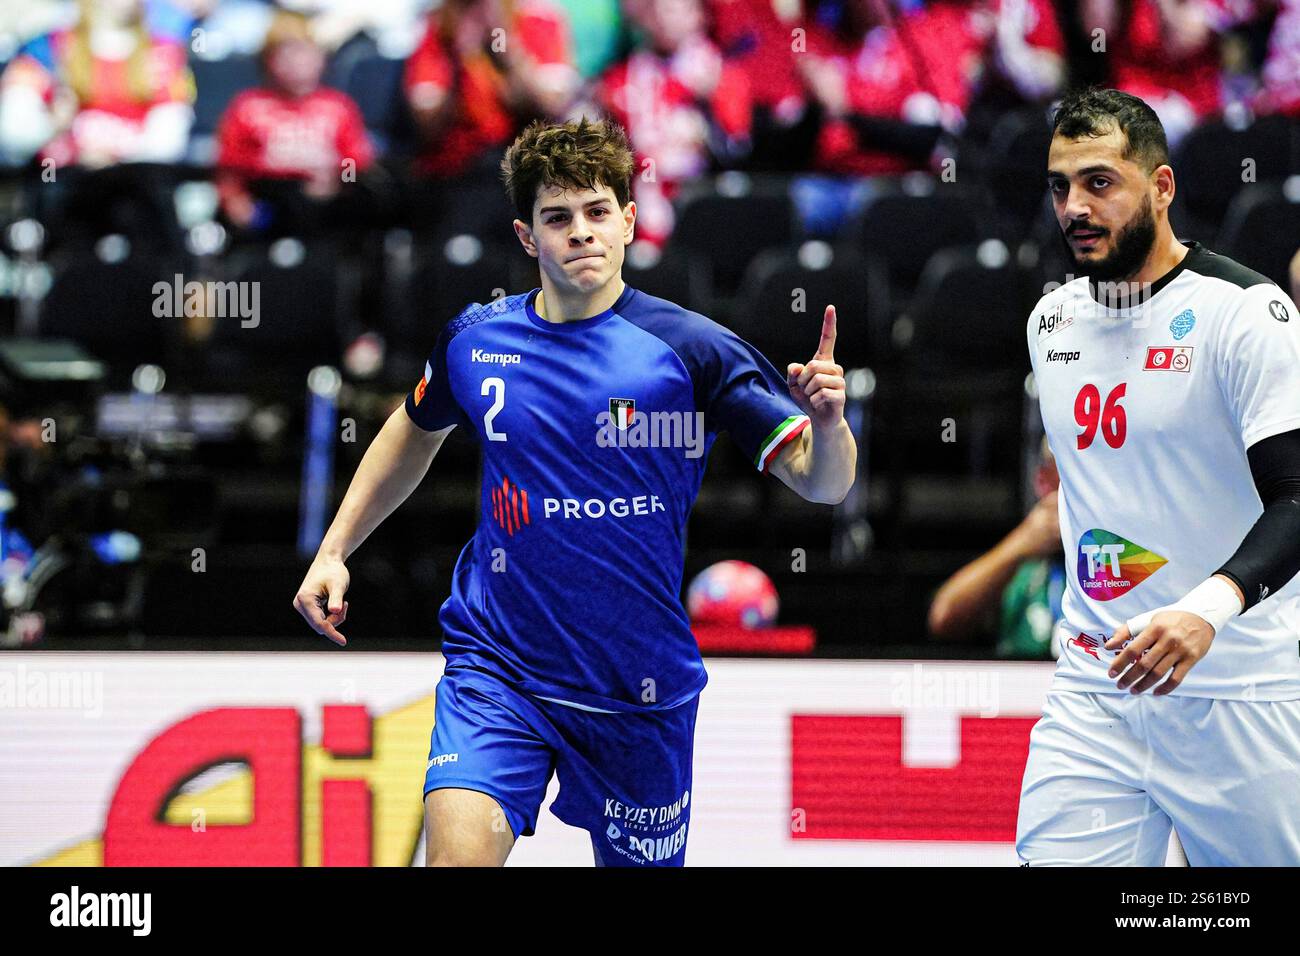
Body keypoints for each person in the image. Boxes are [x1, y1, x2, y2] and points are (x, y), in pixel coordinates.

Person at [292, 117, 857, 866]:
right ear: (528, 237)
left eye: (597, 213)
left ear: (628, 221)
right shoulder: (476, 341)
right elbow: (413, 427)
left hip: (638, 688)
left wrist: (831, 424)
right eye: (557, 218)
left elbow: (823, 482)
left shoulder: (692, 351)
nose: (580, 233)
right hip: (498, 668)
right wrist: (335, 548)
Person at [1016, 87, 1300, 865]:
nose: (1074, 205)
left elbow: (1297, 497)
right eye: (1060, 186)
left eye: (1100, 182)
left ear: (1161, 187)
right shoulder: (1052, 323)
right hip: (1097, 686)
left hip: (1237, 688)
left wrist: (1206, 609)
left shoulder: (1245, 314)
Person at [215, 9, 375, 237]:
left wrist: (340, 182)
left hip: (323, 205)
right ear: (268, 60)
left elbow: (354, 161)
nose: (296, 62)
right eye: (285, 54)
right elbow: (229, 168)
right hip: (267, 200)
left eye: (303, 52)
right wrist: (236, 202)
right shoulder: (248, 107)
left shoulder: (338, 108)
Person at [928, 441, 1063, 659]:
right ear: (1043, 481)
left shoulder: (1117, 551)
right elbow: (943, 618)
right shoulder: (1026, 564)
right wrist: (1021, 543)